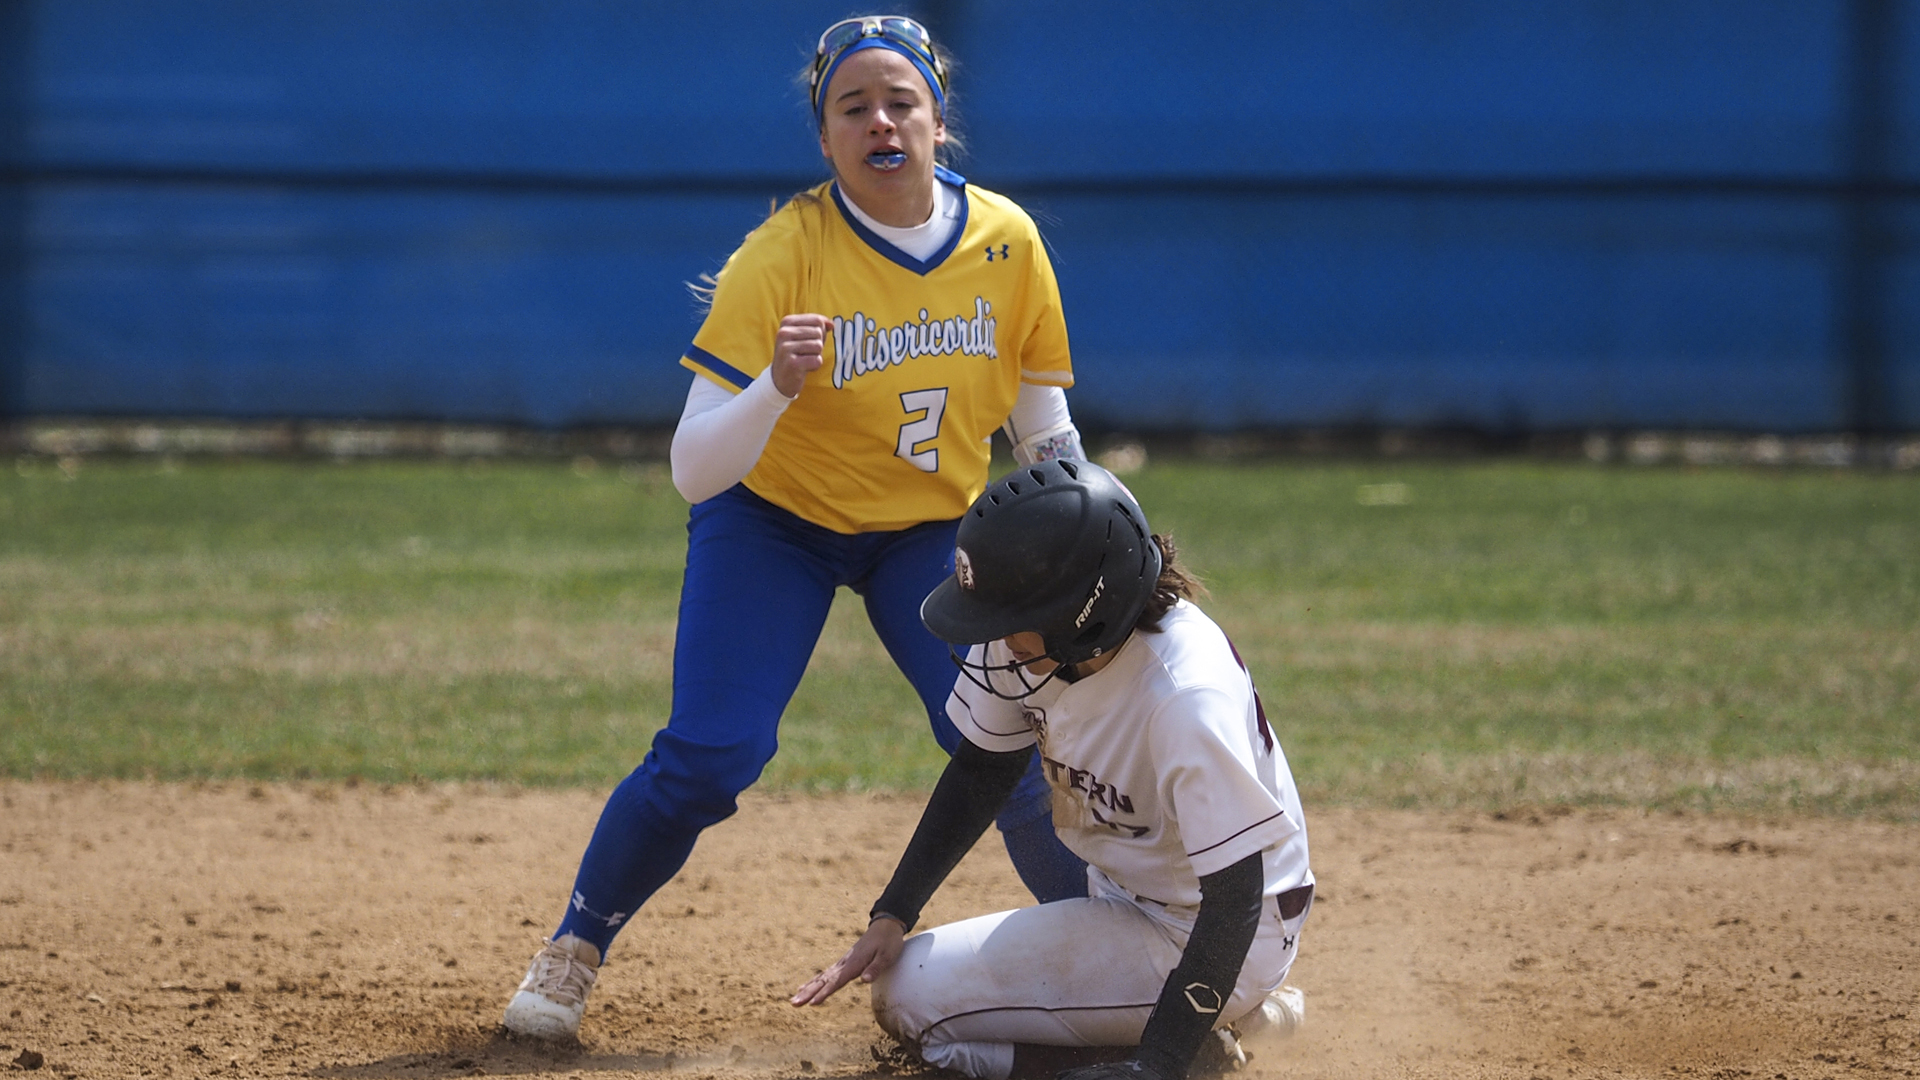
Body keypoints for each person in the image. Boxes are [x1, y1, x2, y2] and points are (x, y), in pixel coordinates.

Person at [502, 15, 1092, 1039]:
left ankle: (1123, 956)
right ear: (824, 138)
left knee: (1006, 741)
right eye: (851, 106)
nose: (879, 122)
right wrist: (777, 386)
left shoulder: (1006, 239)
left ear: (938, 119)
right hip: (773, 523)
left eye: (900, 101)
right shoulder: (783, 253)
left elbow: (1041, 424)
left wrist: (1089, 524)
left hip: (924, 532)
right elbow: (694, 470)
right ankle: (574, 946)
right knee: (712, 753)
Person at [790, 459, 1313, 1080]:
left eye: (1010, 619)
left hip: (1224, 933)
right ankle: (1206, 1035)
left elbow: (1234, 897)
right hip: (1124, 899)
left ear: (1083, 612)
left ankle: (1192, 1036)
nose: (994, 635)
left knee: (922, 1015)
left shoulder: (1183, 698)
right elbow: (984, 768)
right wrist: (894, 911)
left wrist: (1158, 1066)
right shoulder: (1037, 637)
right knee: (906, 988)